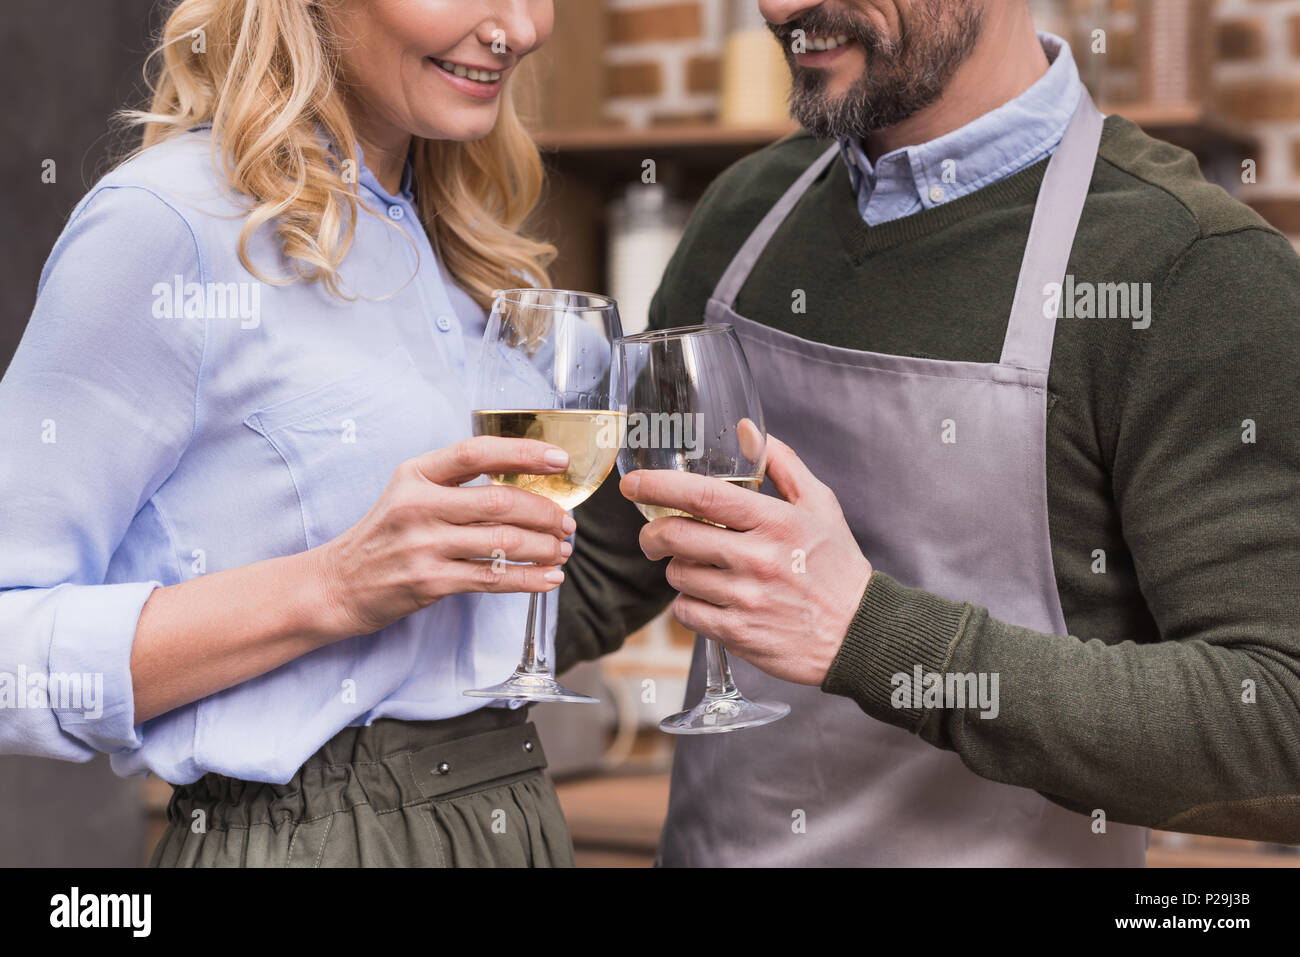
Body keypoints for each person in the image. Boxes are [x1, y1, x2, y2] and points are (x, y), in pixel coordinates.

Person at [558, 0, 1300, 865]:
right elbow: (607, 559)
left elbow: (1278, 722)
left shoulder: (1185, 264)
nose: (779, 8)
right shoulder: (746, 215)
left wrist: (871, 635)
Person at [0, 0, 579, 867]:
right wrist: (334, 588)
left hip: (513, 815)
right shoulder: (166, 225)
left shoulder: (458, 242)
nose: (521, 27)